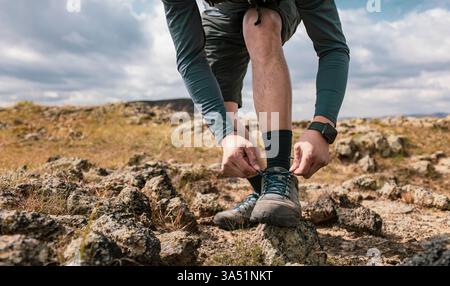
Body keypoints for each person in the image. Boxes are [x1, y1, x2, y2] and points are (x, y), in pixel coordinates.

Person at [162, 0, 349, 229]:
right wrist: (226, 134)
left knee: (259, 23)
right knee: (219, 106)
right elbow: (191, 60)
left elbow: (332, 47)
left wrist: (322, 127)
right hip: (223, 12)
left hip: (275, 4)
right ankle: (265, 189)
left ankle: (279, 174)